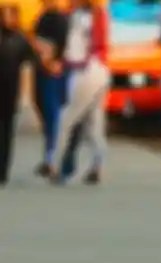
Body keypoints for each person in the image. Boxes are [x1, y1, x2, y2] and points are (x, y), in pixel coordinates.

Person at [48, 0, 107, 185]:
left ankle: (54, 165)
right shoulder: (98, 14)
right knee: (94, 122)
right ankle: (98, 166)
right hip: (101, 70)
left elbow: (76, 53)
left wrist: (60, 63)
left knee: (66, 119)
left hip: (84, 71)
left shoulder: (78, 18)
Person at [31, 0, 74, 178]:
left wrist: (55, 62)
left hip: (55, 71)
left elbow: (64, 44)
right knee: (49, 114)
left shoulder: (60, 19)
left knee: (54, 115)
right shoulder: (43, 18)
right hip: (45, 70)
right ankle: (52, 158)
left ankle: (54, 160)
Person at [0, 0, 36, 185]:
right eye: (4, 15)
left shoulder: (21, 40)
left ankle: (3, 171)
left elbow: (28, 66)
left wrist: (26, 96)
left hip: (10, 92)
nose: (7, 19)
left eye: (10, 15)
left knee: (6, 132)